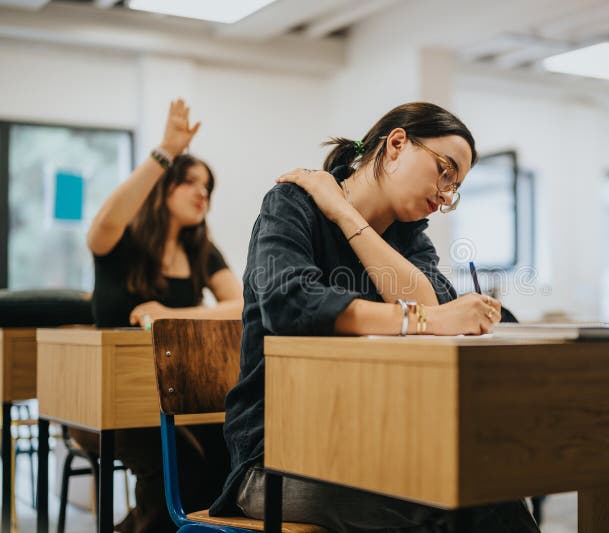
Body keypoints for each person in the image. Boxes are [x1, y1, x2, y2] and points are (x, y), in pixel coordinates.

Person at [211, 102, 539, 532]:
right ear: (397, 144)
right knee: (447, 510)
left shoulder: (407, 235)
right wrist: (421, 321)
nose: (444, 196)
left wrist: (346, 213)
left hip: (373, 443)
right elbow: (289, 303)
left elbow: (435, 308)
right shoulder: (292, 204)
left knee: (489, 493)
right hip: (276, 457)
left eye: (453, 188)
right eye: (444, 171)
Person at [75, 99, 244, 532]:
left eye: (208, 185)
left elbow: (243, 306)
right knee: (181, 463)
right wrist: (165, 151)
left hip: (175, 396)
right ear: (162, 188)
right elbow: (101, 223)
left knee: (229, 453)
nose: (202, 192)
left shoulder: (200, 252)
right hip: (106, 399)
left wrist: (172, 314)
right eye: (189, 182)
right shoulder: (121, 243)